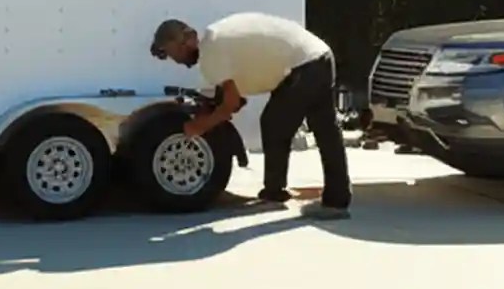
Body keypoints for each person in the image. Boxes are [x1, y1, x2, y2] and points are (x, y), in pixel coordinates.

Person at [150, 12, 353, 220]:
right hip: (320, 55)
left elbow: (230, 104)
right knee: (326, 130)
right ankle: (336, 202)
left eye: (173, 53)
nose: (177, 60)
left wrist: (198, 127)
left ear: (188, 39)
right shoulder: (217, 40)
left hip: (304, 66)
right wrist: (221, 109)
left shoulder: (210, 53)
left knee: (275, 124)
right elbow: (235, 99)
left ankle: (275, 193)